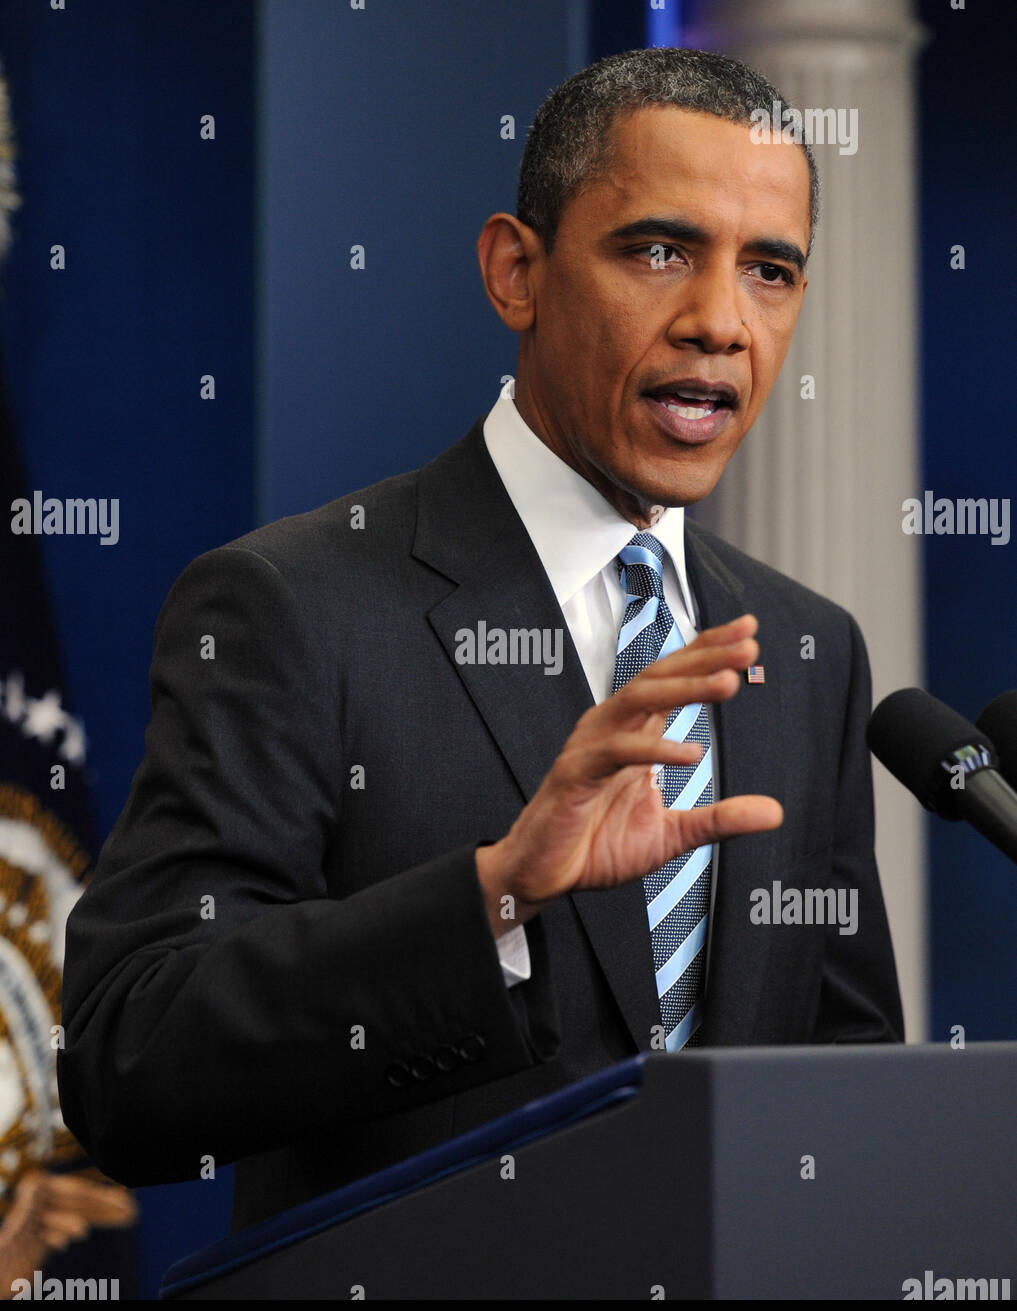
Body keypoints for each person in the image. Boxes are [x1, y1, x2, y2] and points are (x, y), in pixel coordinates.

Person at [57, 47, 903, 1233]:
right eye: (659, 251)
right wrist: (492, 899)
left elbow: (843, 1077)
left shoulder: (809, 649)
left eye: (770, 270)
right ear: (518, 272)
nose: (719, 320)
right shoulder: (293, 605)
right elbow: (126, 1059)